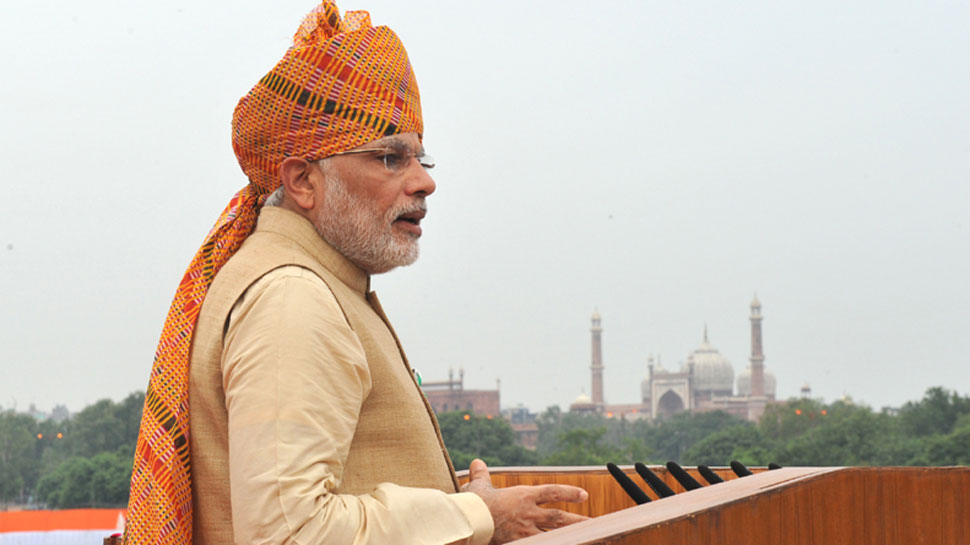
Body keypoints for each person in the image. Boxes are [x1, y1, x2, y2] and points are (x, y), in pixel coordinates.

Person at [124, 2, 588, 544]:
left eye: (422, 159)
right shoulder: (293, 299)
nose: (423, 182)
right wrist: (476, 517)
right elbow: (289, 533)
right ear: (302, 182)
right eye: (390, 158)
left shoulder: (316, 282)